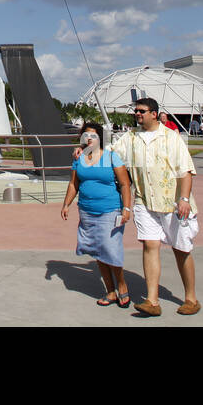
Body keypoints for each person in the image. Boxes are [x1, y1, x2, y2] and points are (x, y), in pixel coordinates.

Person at [112, 97, 201, 316]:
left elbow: (185, 171)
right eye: (136, 111)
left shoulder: (172, 138)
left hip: (173, 203)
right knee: (150, 246)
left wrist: (185, 199)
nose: (137, 114)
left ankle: (191, 298)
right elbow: (110, 154)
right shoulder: (130, 138)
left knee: (181, 250)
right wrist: (85, 151)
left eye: (141, 111)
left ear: (154, 113)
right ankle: (152, 301)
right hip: (144, 201)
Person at [61, 122, 133, 307]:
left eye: (92, 135)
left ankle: (122, 285)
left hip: (110, 210)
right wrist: (66, 204)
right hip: (87, 210)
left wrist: (126, 208)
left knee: (111, 248)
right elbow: (73, 184)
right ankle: (110, 291)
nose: (89, 139)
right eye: (85, 135)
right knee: (97, 250)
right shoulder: (79, 158)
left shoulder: (111, 157)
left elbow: (125, 184)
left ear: (100, 138)